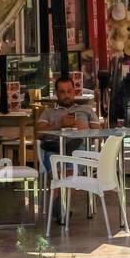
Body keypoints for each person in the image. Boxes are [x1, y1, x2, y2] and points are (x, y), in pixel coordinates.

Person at [36, 75, 100, 222]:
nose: (66, 95)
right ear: (56, 93)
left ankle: (59, 207)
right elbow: (38, 133)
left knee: (70, 171)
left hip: (78, 149)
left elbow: (99, 134)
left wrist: (86, 129)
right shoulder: (48, 112)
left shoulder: (86, 110)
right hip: (54, 148)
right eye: (62, 92)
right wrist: (59, 124)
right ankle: (62, 207)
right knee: (57, 172)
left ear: (74, 92)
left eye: (69, 91)